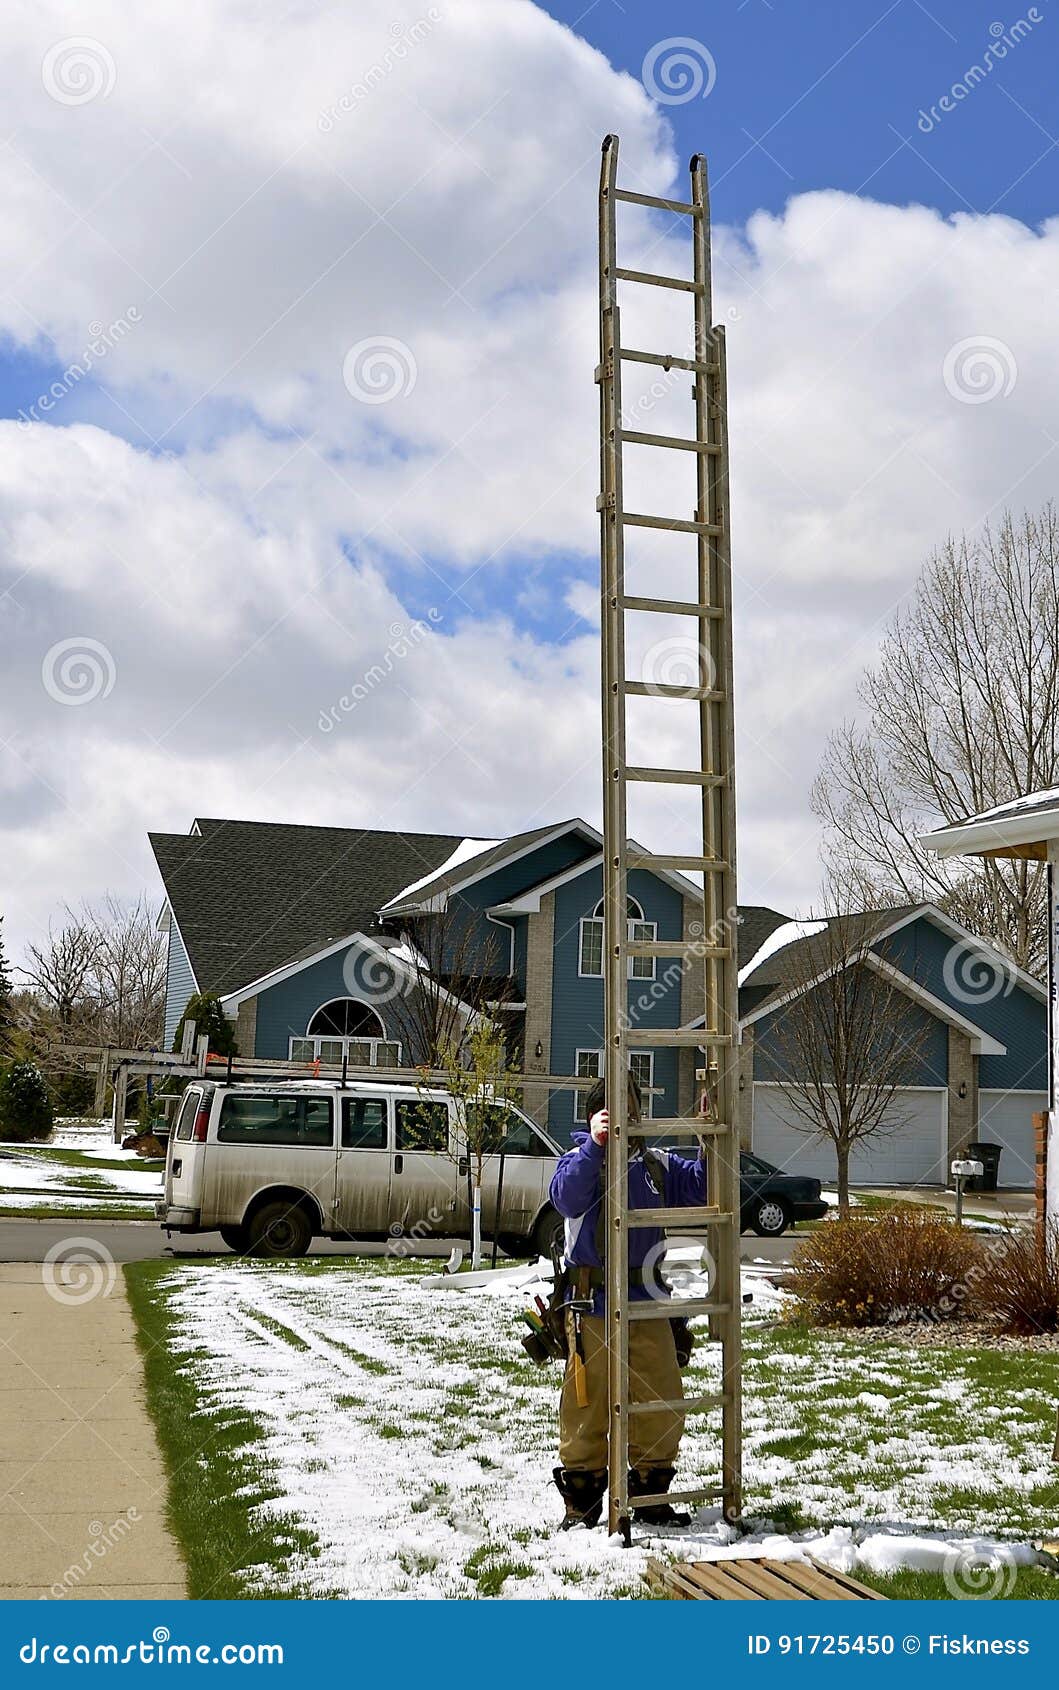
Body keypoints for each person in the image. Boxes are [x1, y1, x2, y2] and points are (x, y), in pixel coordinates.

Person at [549, 1071, 706, 1531]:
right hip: (590, 1302)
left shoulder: (657, 1165)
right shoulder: (579, 1161)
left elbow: (702, 1185)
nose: (627, 1115)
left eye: (632, 1105)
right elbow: (565, 1198)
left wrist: (705, 1135)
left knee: (660, 1395)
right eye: (615, 1107)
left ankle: (649, 1489)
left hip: (647, 1299)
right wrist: (595, 1148)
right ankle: (582, 1499)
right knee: (586, 1403)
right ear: (594, 1113)